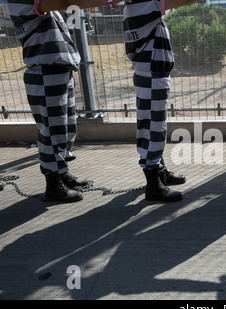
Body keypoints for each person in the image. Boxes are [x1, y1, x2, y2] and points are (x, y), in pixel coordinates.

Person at [7, 0, 131, 202]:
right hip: (45, 73)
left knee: (64, 129)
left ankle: (62, 173)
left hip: (56, 70)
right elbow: (67, 2)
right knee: (51, 132)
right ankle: (53, 183)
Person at [123, 0, 200, 202]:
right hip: (152, 75)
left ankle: (159, 171)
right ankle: (153, 184)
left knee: (152, 125)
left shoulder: (135, 6)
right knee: (154, 129)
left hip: (149, 73)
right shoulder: (146, 5)